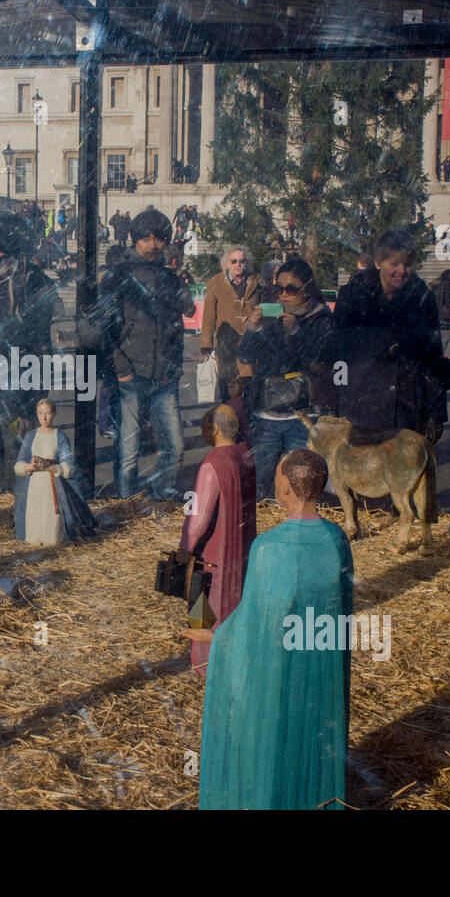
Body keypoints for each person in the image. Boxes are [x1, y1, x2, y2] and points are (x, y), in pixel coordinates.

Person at [190, 448, 354, 809]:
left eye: (279, 475)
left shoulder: (269, 547)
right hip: (321, 676)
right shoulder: (338, 540)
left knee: (275, 742)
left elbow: (252, 628)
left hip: (280, 680)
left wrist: (214, 637)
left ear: (287, 488)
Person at [99, 208, 195, 499]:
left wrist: (174, 367)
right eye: (146, 239)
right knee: (128, 450)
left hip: (164, 376)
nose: (153, 245)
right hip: (131, 374)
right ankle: (127, 503)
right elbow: (103, 328)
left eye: (159, 239)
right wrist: (121, 367)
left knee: (175, 447)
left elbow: (179, 325)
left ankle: (161, 494)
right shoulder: (116, 277)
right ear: (135, 239)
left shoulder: (171, 279)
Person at [331, 229, 446, 443]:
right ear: (377, 262)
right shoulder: (352, 296)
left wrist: (436, 414)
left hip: (407, 408)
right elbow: (337, 353)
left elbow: (434, 359)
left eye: (407, 264)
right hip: (362, 406)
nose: (401, 271)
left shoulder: (423, 298)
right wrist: (334, 407)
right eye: (394, 264)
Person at [0, 214, 58, 493]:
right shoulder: (1, 277)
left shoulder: (26, 279)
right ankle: (11, 494)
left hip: (22, 372)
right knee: (8, 437)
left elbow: (27, 329)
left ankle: (20, 499)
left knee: (18, 437)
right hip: (6, 371)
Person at [238, 256, 335, 499]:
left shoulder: (321, 318)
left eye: (291, 289)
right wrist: (253, 328)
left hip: (303, 417)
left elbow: (320, 361)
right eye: (277, 288)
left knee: (299, 486)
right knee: (260, 483)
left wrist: (296, 332)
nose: (283, 294)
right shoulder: (270, 317)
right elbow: (246, 355)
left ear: (307, 289)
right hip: (266, 415)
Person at [175, 404, 256, 676]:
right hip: (242, 550)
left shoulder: (212, 464)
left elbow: (198, 520)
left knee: (204, 603)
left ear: (216, 429)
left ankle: (205, 664)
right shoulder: (244, 454)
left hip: (213, 555)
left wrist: (184, 550)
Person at [12, 398, 100, 545]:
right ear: (37, 414)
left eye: (47, 413)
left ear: (54, 414)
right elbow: (19, 465)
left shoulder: (60, 436)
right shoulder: (30, 436)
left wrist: (49, 467)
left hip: (52, 485)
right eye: (40, 413)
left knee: (52, 521)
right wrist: (30, 467)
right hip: (34, 486)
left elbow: (69, 467)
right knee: (35, 514)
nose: (44, 417)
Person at [199, 245, 260, 403]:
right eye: (233, 261)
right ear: (226, 264)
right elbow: (208, 317)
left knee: (250, 391)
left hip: (250, 345)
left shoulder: (256, 282)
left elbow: (263, 311)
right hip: (226, 345)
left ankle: (247, 425)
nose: (238, 264)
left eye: (242, 261)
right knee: (227, 393)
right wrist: (206, 344)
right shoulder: (216, 282)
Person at [431, 269, 450, 350]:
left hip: (435, 315)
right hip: (445, 316)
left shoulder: (435, 288)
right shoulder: (449, 289)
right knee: (445, 338)